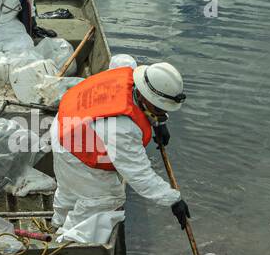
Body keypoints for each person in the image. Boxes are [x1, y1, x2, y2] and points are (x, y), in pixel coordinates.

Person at [49, 56, 190, 243]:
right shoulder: (122, 128)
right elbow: (139, 175)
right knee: (107, 198)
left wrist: (159, 122)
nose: (162, 112)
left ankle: (57, 221)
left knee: (70, 188)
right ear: (146, 98)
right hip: (74, 149)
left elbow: (143, 108)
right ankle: (68, 239)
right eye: (159, 109)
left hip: (65, 124)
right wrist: (172, 199)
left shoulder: (128, 77)